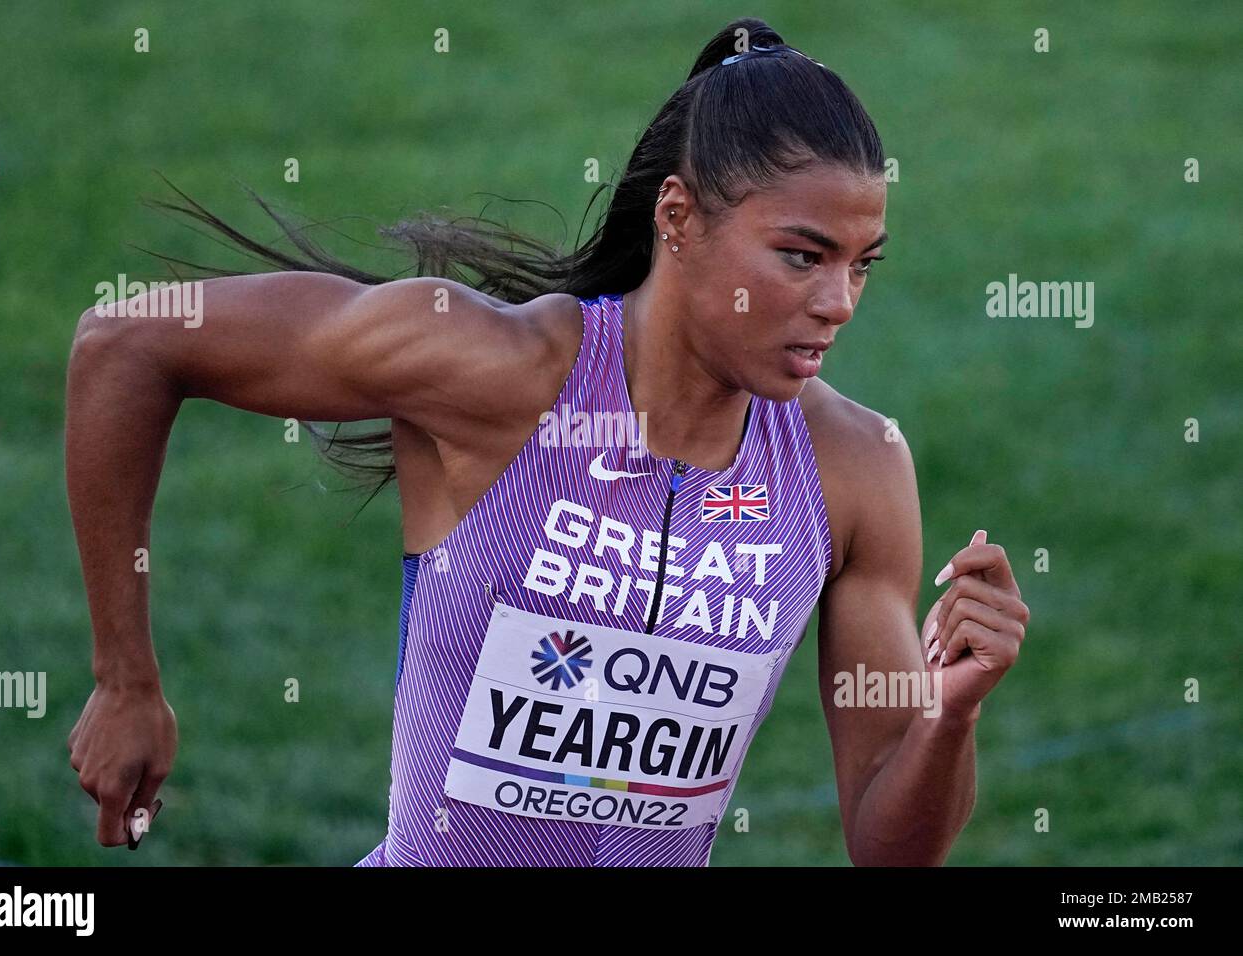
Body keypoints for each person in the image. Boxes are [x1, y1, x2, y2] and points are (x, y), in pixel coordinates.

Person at [65, 17, 1029, 866]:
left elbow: (887, 845)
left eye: (863, 265)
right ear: (679, 219)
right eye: (802, 257)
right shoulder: (495, 373)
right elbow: (126, 344)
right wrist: (125, 681)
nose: (838, 303)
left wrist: (951, 717)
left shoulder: (853, 470)